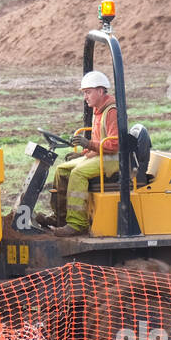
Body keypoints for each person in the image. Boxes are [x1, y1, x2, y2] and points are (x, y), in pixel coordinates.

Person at [48, 71, 119, 237]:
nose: (85, 97)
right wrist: (85, 151)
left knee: (78, 173)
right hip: (101, 155)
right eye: (84, 93)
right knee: (62, 170)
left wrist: (89, 144)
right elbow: (98, 139)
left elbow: (115, 144)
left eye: (88, 92)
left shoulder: (111, 112)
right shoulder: (98, 110)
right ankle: (60, 218)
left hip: (113, 159)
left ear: (100, 91)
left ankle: (77, 224)